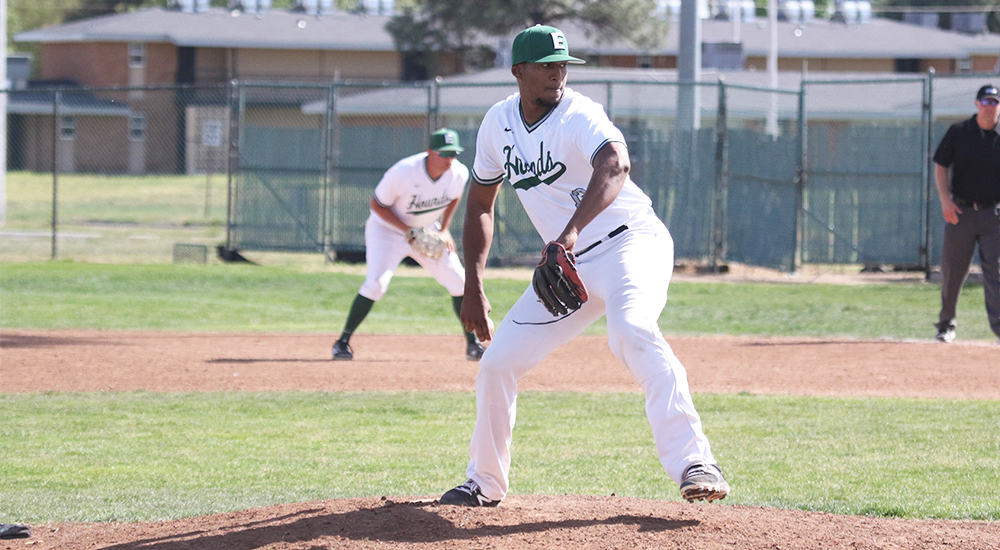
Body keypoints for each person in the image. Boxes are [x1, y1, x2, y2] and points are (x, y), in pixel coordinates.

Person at [438, 25, 729, 507]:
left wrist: (567, 236)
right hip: (566, 269)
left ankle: (695, 462)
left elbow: (615, 164)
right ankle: (484, 482)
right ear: (518, 72)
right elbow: (479, 205)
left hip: (629, 245)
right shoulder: (497, 124)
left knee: (631, 331)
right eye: (547, 65)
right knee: (497, 364)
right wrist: (473, 285)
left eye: (563, 65)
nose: (558, 73)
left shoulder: (579, 112)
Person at [332, 128, 486, 361]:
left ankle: (472, 346)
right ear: (429, 152)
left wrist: (444, 230)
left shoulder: (459, 173)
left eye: (454, 153)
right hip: (387, 231)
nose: (450, 159)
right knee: (376, 285)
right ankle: (342, 342)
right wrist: (407, 231)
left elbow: (454, 197)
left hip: (427, 231)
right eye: (444, 154)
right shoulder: (403, 172)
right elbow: (377, 205)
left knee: (460, 283)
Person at [932, 84, 1000, 345]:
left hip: (993, 216)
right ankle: (946, 325)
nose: (989, 106)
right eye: (985, 101)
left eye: (994, 102)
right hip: (960, 213)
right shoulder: (959, 132)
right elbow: (941, 166)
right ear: (976, 104)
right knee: (952, 271)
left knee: (995, 273)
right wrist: (945, 201)